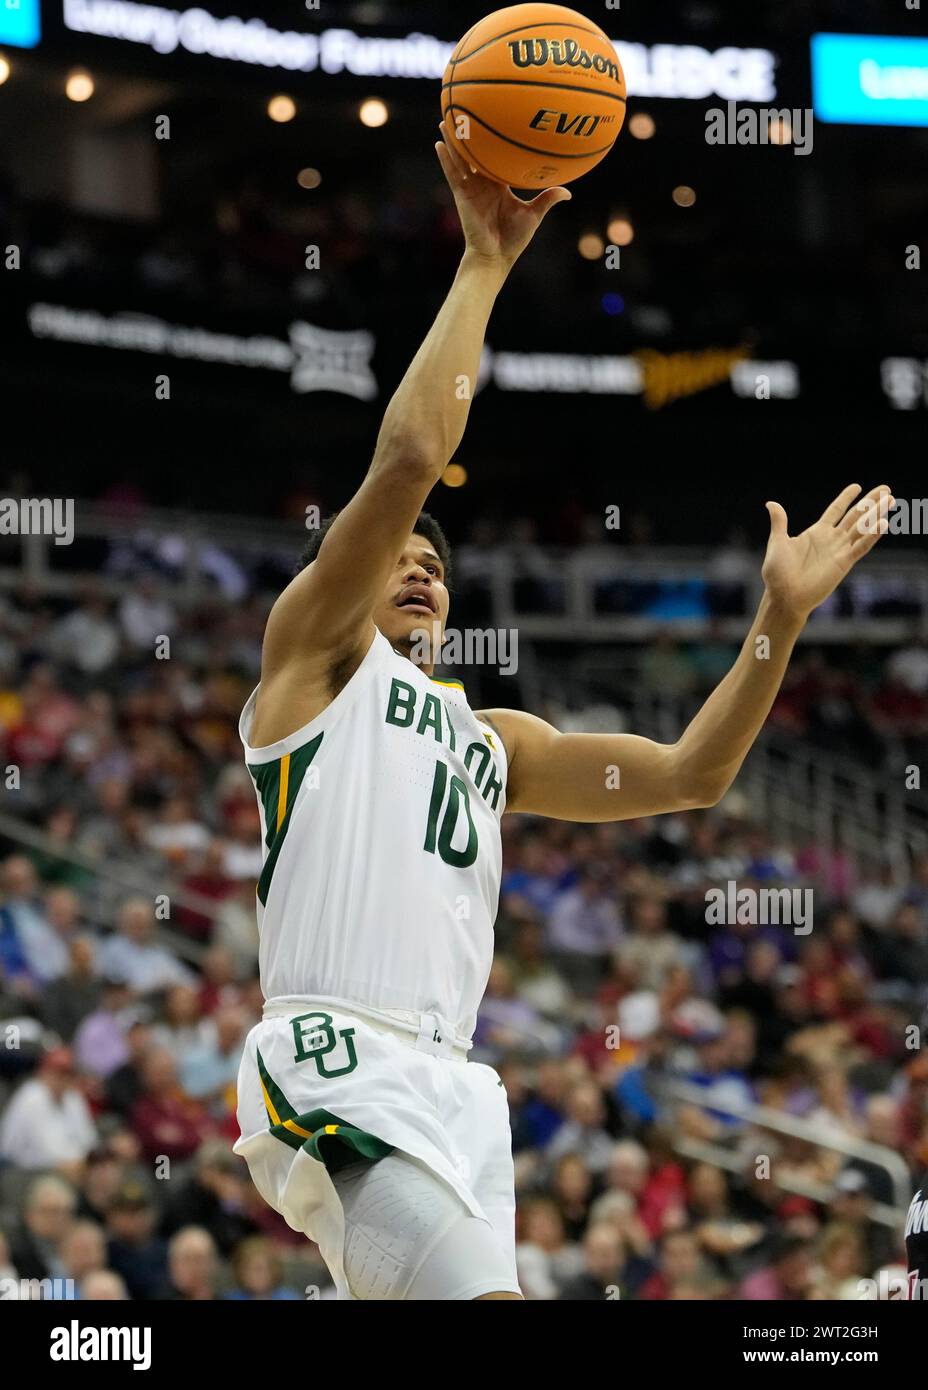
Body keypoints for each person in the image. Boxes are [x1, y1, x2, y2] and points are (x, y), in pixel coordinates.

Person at [233, 120, 895, 1302]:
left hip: (453, 1089)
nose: (422, 566)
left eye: (438, 563)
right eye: (400, 558)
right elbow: (408, 464)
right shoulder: (316, 660)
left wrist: (777, 621)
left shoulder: (498, 742)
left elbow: (691, 774)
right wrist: (485, 262)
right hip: (332, 1064)